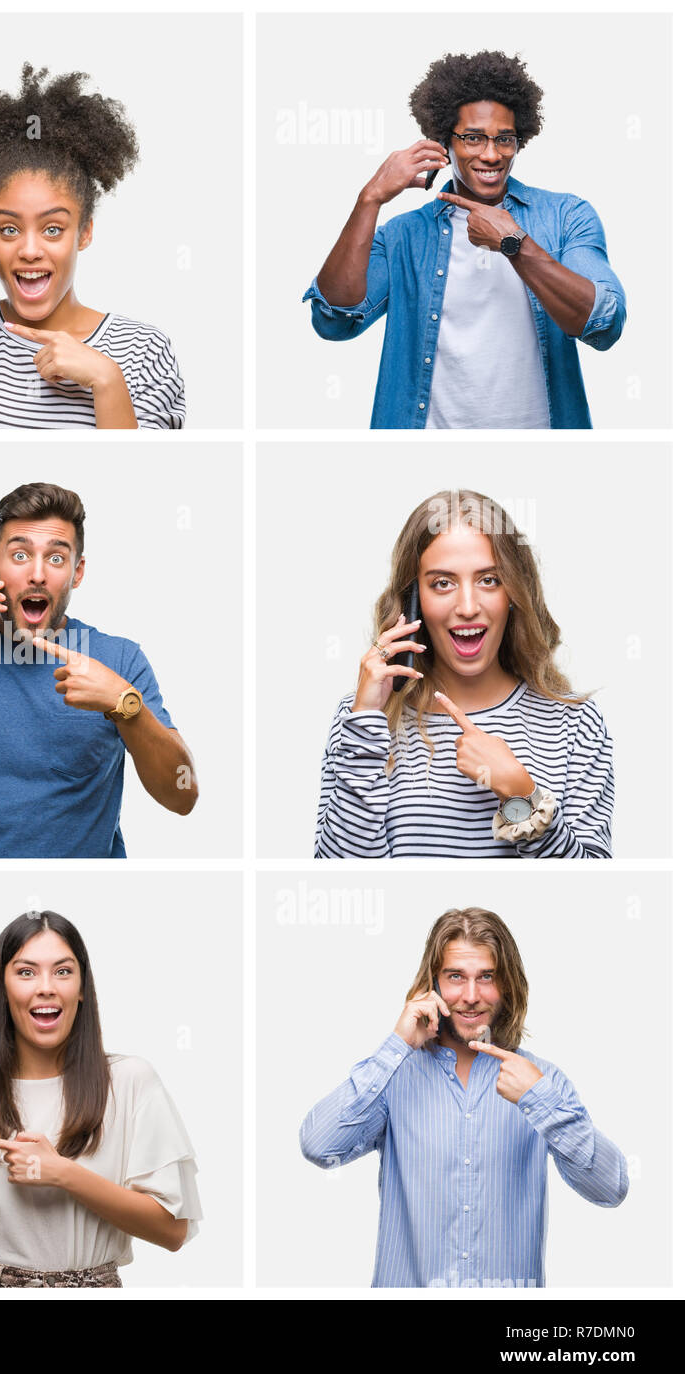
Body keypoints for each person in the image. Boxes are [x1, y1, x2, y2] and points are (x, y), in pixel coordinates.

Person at [0, 911, 201, 1286]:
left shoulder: (130, 1082)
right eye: (26, 972)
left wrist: (62, 1173)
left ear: (82, 987)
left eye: (63, 971)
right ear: (3, 988)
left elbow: (172, 1232)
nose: (46, 987)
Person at [300, 908, 627, 1288]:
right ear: (433, 984)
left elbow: (611, 1188)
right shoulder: (393, 1075)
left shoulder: (542, 1081)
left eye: (487, 977)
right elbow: (318, 1146)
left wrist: (541, 1102)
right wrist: (397, 1045)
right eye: (455, 976)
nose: (471, 997)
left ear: (507, 985)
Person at [303, 50, 625, 428]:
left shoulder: (566, 216)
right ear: (444, 142)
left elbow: (605, 324)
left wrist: (514, 244)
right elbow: (334, 321)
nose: (491, 155)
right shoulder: (404, 236)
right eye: (473, 138)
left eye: (504, 139)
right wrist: (370, 198)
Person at [0, 482, 197, 857]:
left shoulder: (120, 659)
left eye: (57, 558)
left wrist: (127, 705)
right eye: (20, 555)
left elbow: (182, 796)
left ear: (77, 573)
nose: (38, 575)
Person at [314, 488, 613, 858]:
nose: (468, 607)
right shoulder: (360, 717)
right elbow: (343, 873)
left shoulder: (575, 722)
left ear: (514, 593)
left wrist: (523, 795)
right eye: (442, 583)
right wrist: (366, 724)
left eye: (489, 580)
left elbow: (587, 890)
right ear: (413, 599)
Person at [0, 63, 184, 430]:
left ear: (84, 233)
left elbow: (145, 479)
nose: (30, 250)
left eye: (52, 229)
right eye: (9, 229)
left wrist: (108, 382)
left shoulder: (144, 350)